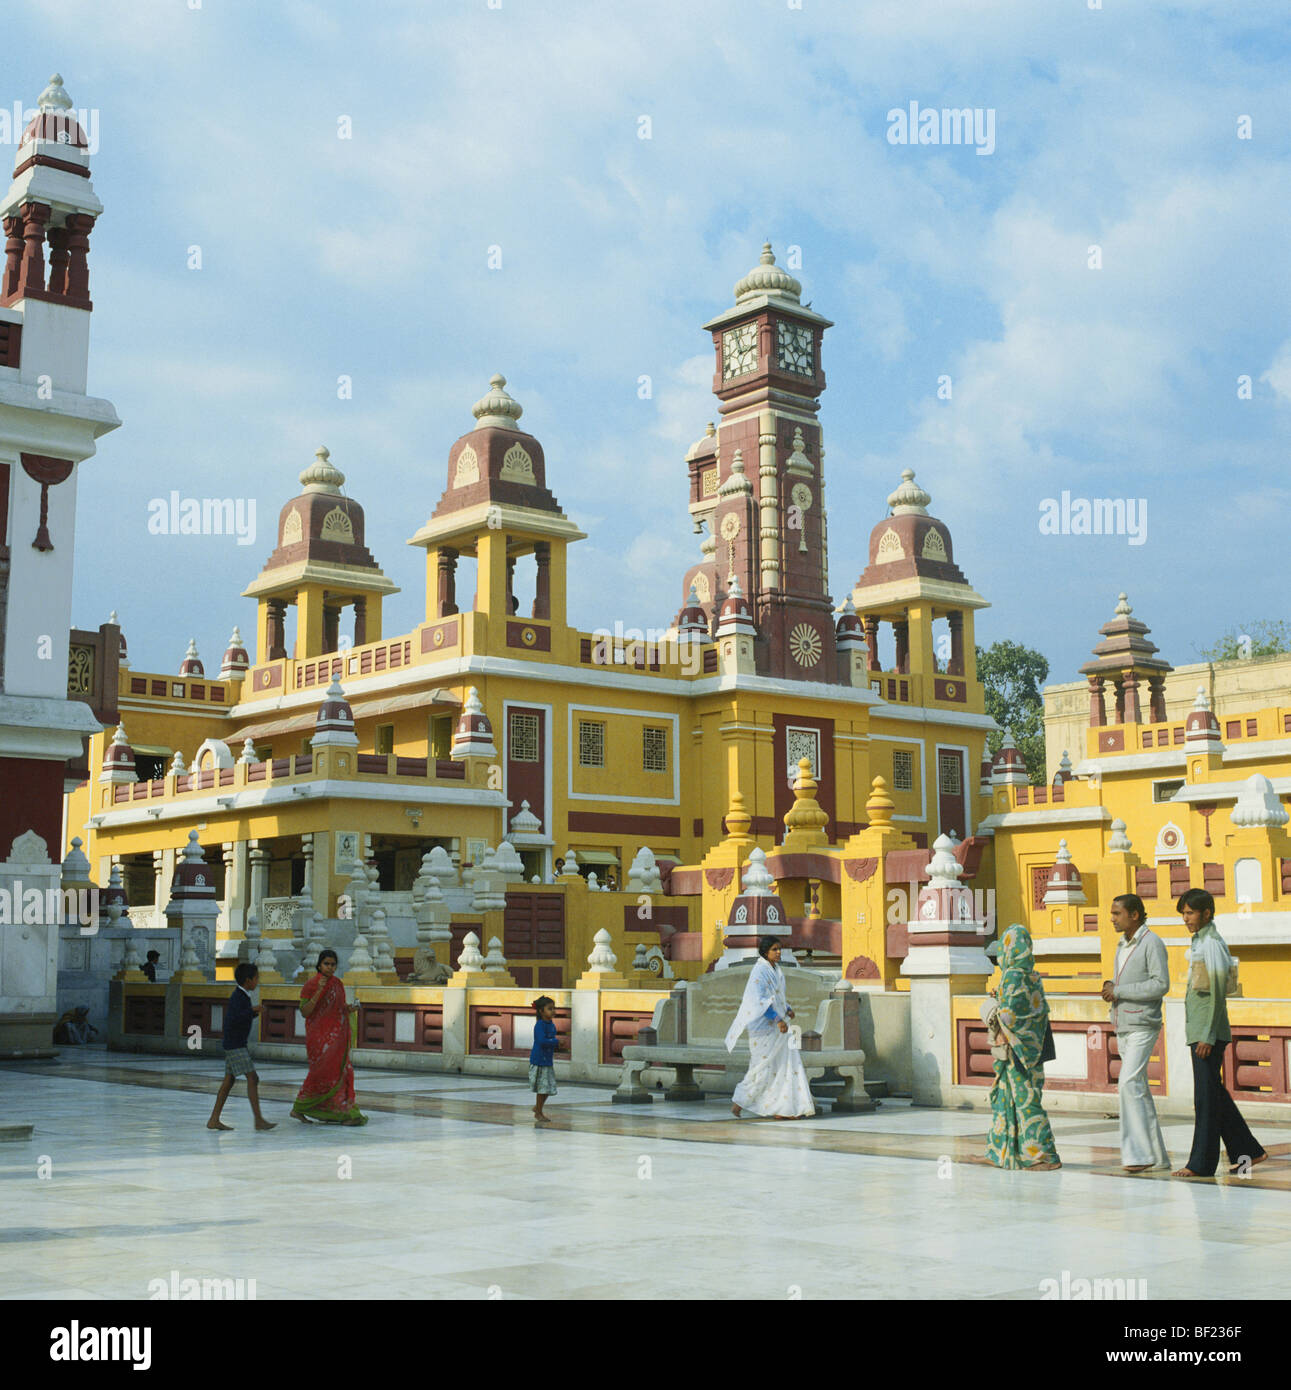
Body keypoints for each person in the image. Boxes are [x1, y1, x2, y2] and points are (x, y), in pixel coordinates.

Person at [1173, 889, 1266, 1179]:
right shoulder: (1201, 940)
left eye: (1190, 913)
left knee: (1206, 1099)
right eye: (1184, 914)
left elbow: (1215, 995)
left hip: (1207, 1033)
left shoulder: (1211, 943)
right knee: (1214, 1096)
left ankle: (1200, 1164)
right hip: (1200, 1030)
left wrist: (1208, 1035)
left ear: (1206, 913)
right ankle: (1248, 1151)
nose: (1186, 919)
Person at [981, 923, 1061, 1169]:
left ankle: (1043, 1156)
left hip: (1017, 1051)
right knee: (1020, 1099)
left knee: (1025, 1104)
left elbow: (1008, 1015)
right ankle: (1001, 1152)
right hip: (1034, 1047)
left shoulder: (1012, 975)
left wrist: (990, 1006)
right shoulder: (1032, 975)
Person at [1101, 893, 1170, 1171]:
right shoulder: (1122, 945)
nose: (1112, 918)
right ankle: (1158, 1157)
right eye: (1112, 913)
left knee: (1127, 1083)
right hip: (1124, 1024)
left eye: (1117, 913)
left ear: (1135, 915)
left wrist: (1119, 991)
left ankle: (1139, 1156)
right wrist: (1111, 986)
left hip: (1144, 1024)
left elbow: (1160, 984)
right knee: (1139, 1088)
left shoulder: (1151, 943)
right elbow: (1127, 980)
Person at [726, 935, 815, 1120]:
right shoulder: (759, 971)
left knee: (785, 1065)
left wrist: (788, 1009)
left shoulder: (776, 969)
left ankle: (783, 1108)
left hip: (780, 1025)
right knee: (762, 1067)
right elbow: (758, 1001)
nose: (778, 952)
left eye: (779, 948)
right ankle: (739, 1102)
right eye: (774, 949)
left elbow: (777, 996)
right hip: (763, 1027)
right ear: (765, 952)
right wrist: (777, 1019)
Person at [291, 949, 367, 1126]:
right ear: (319, 964)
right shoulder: (311, 984)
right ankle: (299, 1108)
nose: (330, 967)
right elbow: (305, 1011)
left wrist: (351, 1009)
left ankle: (342, 1111)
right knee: (320, 1074)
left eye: (333, 964)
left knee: (343, 1071)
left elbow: (339, 1008)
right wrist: (319, 991)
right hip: (319, 1038)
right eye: (326, 964)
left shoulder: (338, 984)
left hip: (336, 1037)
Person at [207, 962, 276, 1131]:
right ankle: (258, 1120)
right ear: (248, 980)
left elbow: (240, 1017)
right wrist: (253, 1010)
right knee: (253, 1078)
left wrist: (252, 1012)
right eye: (256, 978)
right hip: (235, 1045)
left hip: (234, 1043)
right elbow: (234, 1018)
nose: (258, 981)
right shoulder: (239, 996)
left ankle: (214, 1119)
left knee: (229, 1081)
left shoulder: (242, 995)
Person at [530, 995, 560, 1125]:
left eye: (554, 1008)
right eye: (549, 1009)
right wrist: (556, 1042)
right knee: (543, 1088)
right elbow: (541, 1041)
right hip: (539, 1060)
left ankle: (538, 1107)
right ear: (541, 1011)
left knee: (548, 1087)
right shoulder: (540, 1025)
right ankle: (539, 1112)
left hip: (547, 1060)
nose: (553, 1011)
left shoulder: (550, 1024)